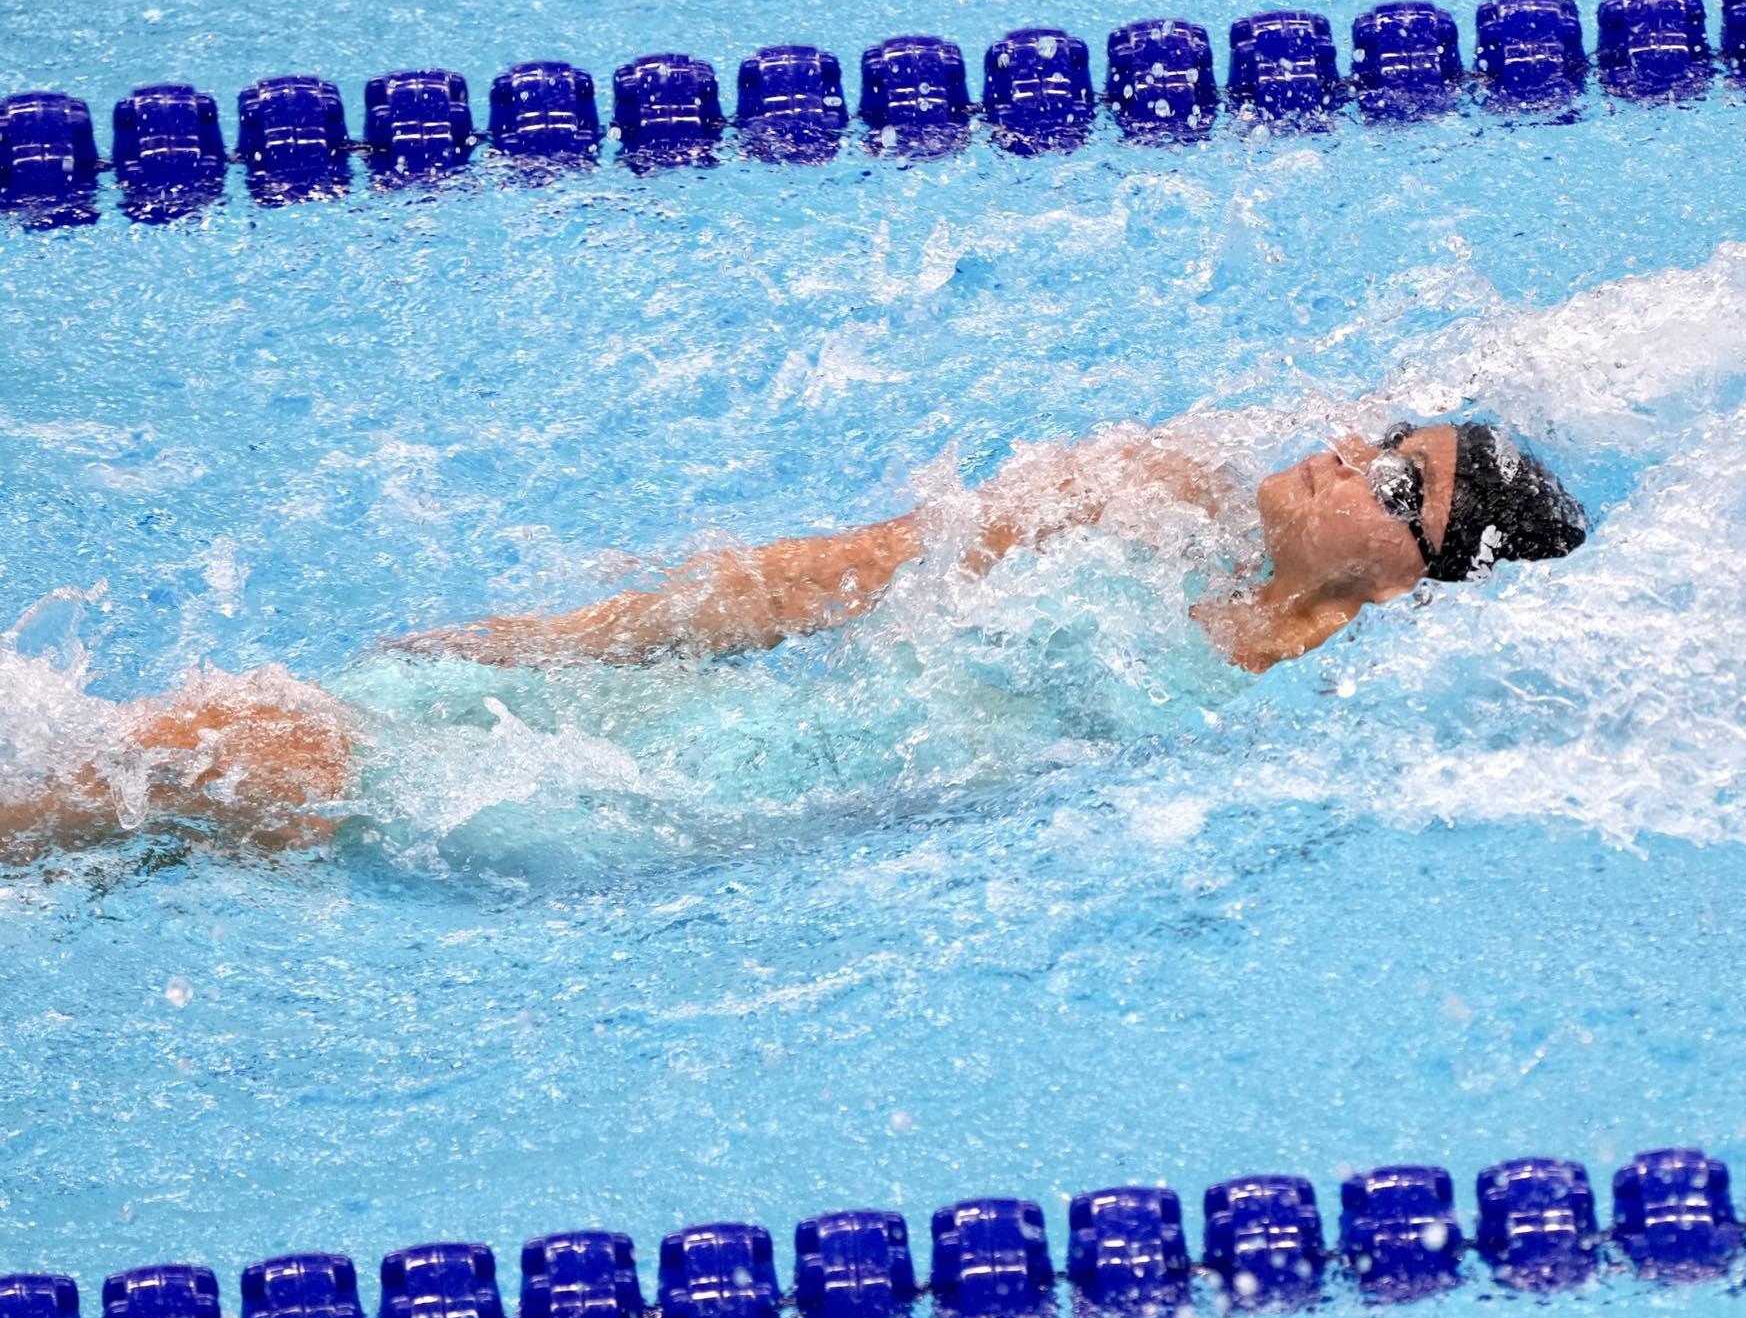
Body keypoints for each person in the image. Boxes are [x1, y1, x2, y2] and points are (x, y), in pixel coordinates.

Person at [0, 418, 1585, 855]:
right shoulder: (1147, 512)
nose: (1339, 452)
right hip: (671, 714)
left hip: (702, 810)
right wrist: (557, 641)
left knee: (229, 754)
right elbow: (820, 577)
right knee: (228, 747)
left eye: (1394, 481)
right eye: (1380, 426)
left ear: (1404, 582)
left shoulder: (1287, 694)